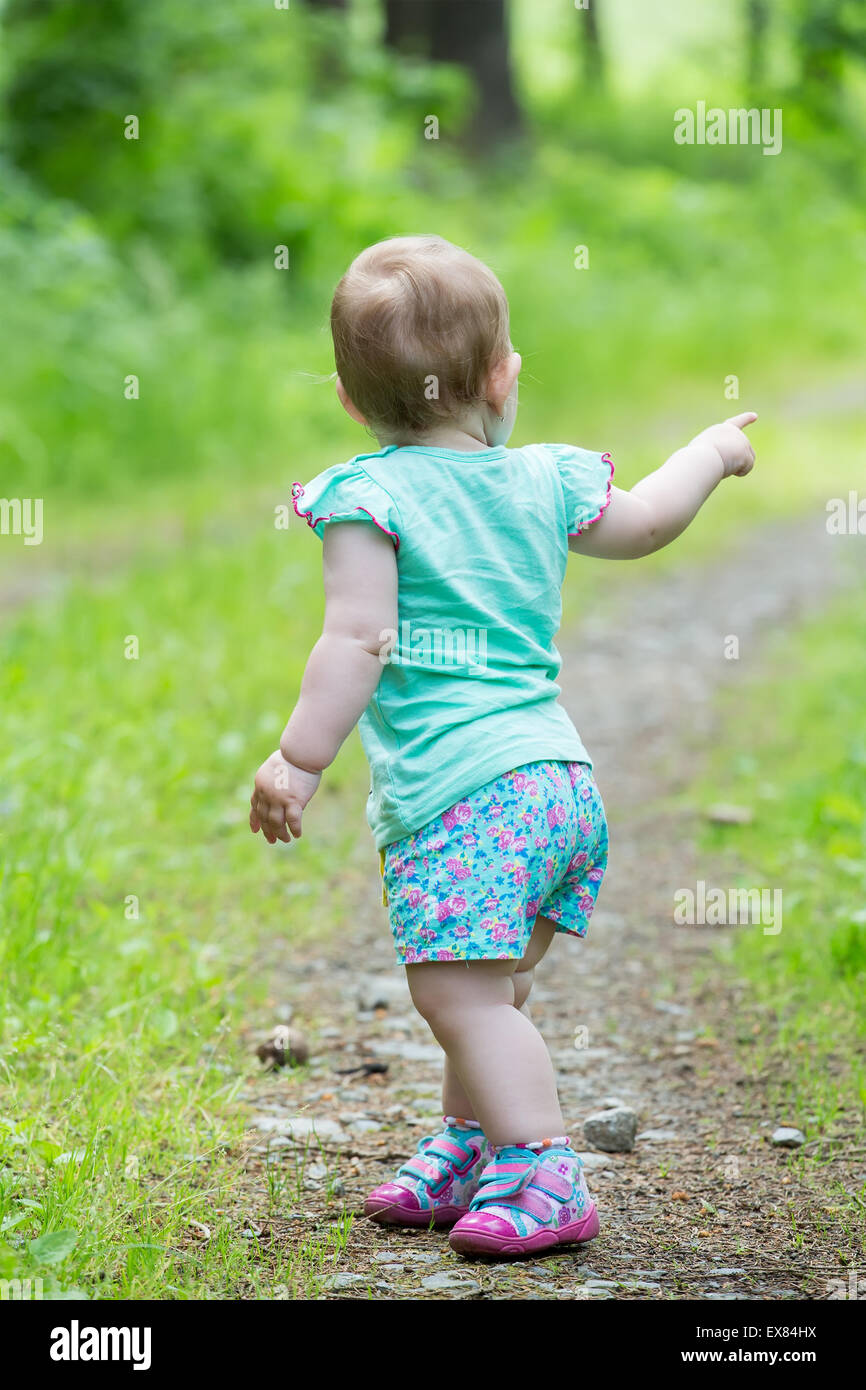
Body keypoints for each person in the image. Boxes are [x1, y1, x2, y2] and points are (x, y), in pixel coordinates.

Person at [250, 234, 756, 1257]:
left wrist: (297, 759)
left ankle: (542, 1163)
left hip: (465, 799)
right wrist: (709, 451)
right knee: (489, 987)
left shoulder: (366, 496)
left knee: (455, 992)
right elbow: (649, 521)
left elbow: (357, 635)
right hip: (557, 790)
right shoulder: (547, 480)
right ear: (496, 377)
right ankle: (474, 1143)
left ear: (352, 404)